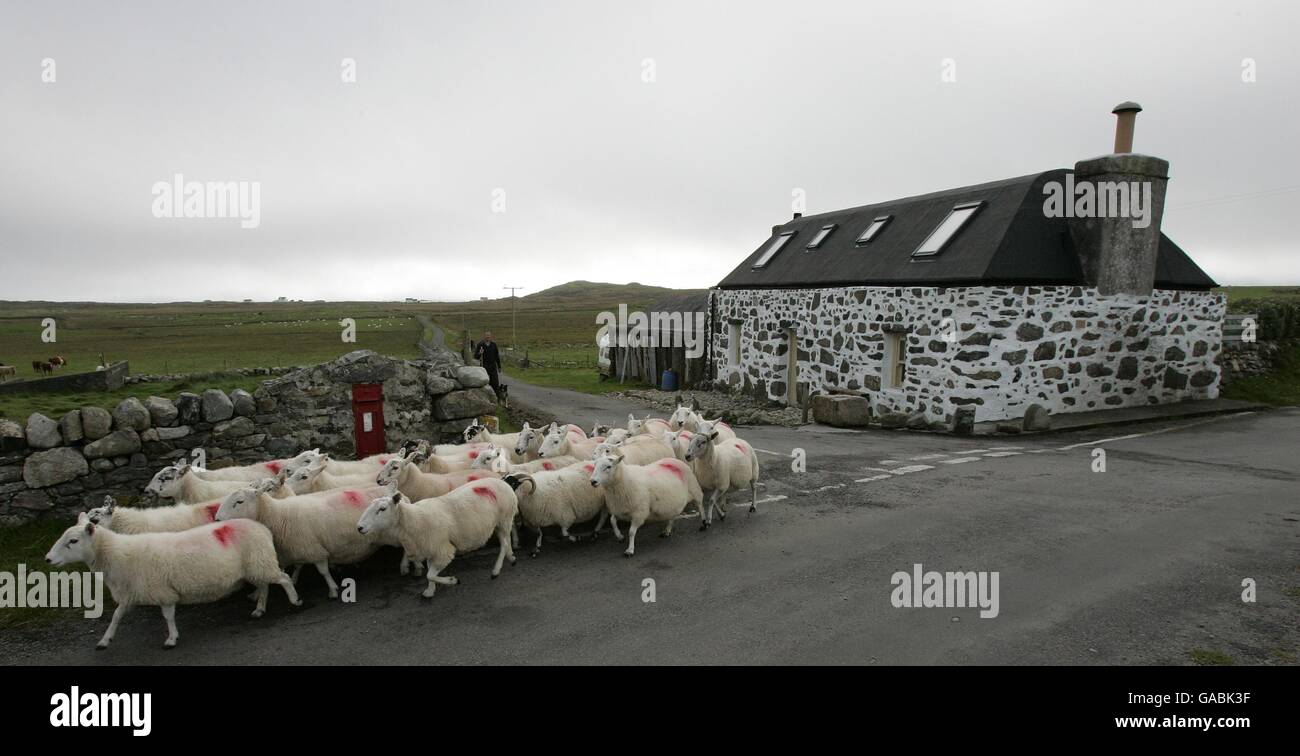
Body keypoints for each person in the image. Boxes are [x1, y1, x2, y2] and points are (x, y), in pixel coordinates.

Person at [473, 331, 505, 401]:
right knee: (486, 383)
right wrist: (480, 353)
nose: (487, 337)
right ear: (484, 336)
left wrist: (499, 366)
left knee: (495, 383)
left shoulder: (494, 345)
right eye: (486, 336)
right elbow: (475, 357)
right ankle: (487, 399)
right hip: (484, 367)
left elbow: (497, 356)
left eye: (489, 336)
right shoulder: (480, 345)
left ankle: (498, 399)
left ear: (491, 337)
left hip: (493, 366)